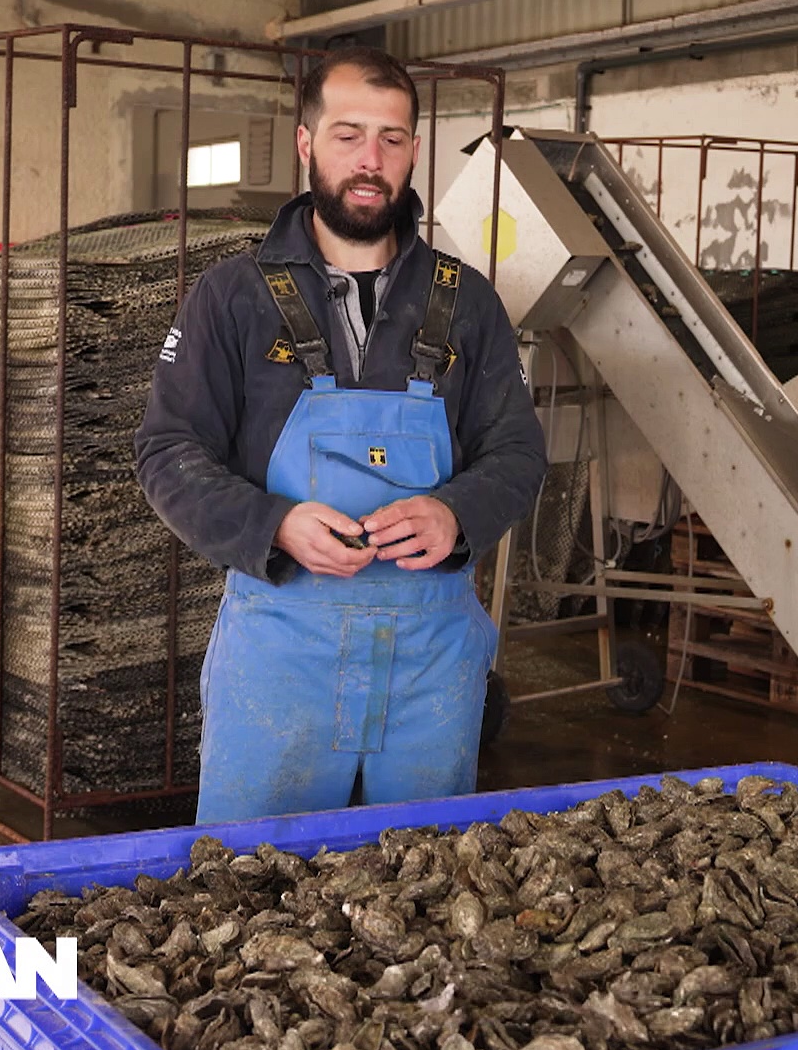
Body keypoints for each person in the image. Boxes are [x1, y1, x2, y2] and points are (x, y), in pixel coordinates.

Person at [134, 46, 545, 824]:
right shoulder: (232, 298)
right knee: (253, 888)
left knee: (421, 886)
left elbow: (519, 451)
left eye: (392, 138)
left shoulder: (467, 303)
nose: (370, 159)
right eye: (348, 133)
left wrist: (456, 514)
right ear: (305, 141)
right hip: (283, 651)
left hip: (432, 663)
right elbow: (168, 449)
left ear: (415, 150)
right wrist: (272, 523)